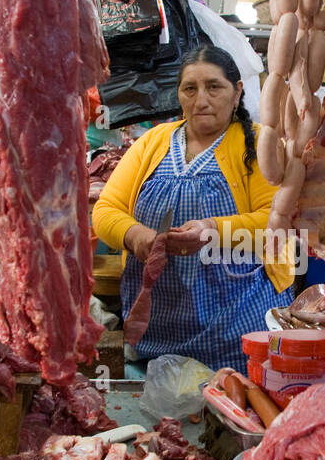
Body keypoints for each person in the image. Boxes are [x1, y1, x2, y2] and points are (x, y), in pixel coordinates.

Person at [92, 45, 293, 370]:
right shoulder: (152, 142)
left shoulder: (258, 144)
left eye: (214, 87)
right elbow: (106, 210)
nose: (201, 100)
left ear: (237, 90)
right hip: (157, 330)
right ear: (179, 94)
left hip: (238, 329)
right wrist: (136, 236)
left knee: (236, 408)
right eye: (190, 89)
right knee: (160, 414)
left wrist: (213, 231)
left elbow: (277, 223)